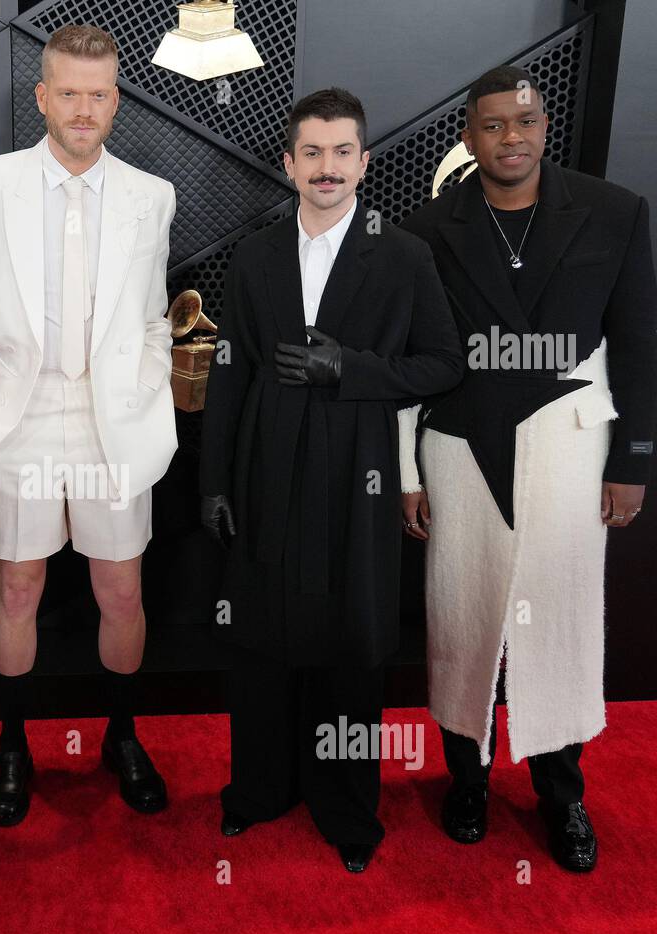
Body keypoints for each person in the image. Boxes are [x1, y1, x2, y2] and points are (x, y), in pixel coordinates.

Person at [399, 66, 657, 872]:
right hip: (461, 442)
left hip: (570, 443)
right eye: (494, 126)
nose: (513, 138)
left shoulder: (614, 212)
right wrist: (405, 470)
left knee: (563, 621)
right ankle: (466, 780)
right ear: (469, 137)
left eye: (527, 121)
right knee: (463, 613)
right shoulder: (425, 228)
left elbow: (640, 342)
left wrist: (634, 458)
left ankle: (561, 792)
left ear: (546, 124)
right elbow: (409, 355)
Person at [199, 88, 464, 872]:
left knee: (352, 637)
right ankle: (258, 789)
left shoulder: (405, 254)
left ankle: (348, 810)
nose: (326, 167)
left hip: (361, 471)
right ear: (288, 163)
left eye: (341, 151)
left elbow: (444, 365)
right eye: (311, 153)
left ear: (364, 161)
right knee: (260, 636)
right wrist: (214, 480)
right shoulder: (253, 255)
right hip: (264, 459)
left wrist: (349, 367)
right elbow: (229, 373)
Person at [0, 24, 178, 826]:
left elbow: (153, 320)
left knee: (121, 588)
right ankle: (13, 746)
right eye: (68, 93)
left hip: (115, 422)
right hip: (18, 418)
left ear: (116, 100)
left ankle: (122, 736)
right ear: (42, 96)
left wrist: (142, 389)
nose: (84, 109)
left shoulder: (152, 195)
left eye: (99, 94)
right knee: (17, 585)